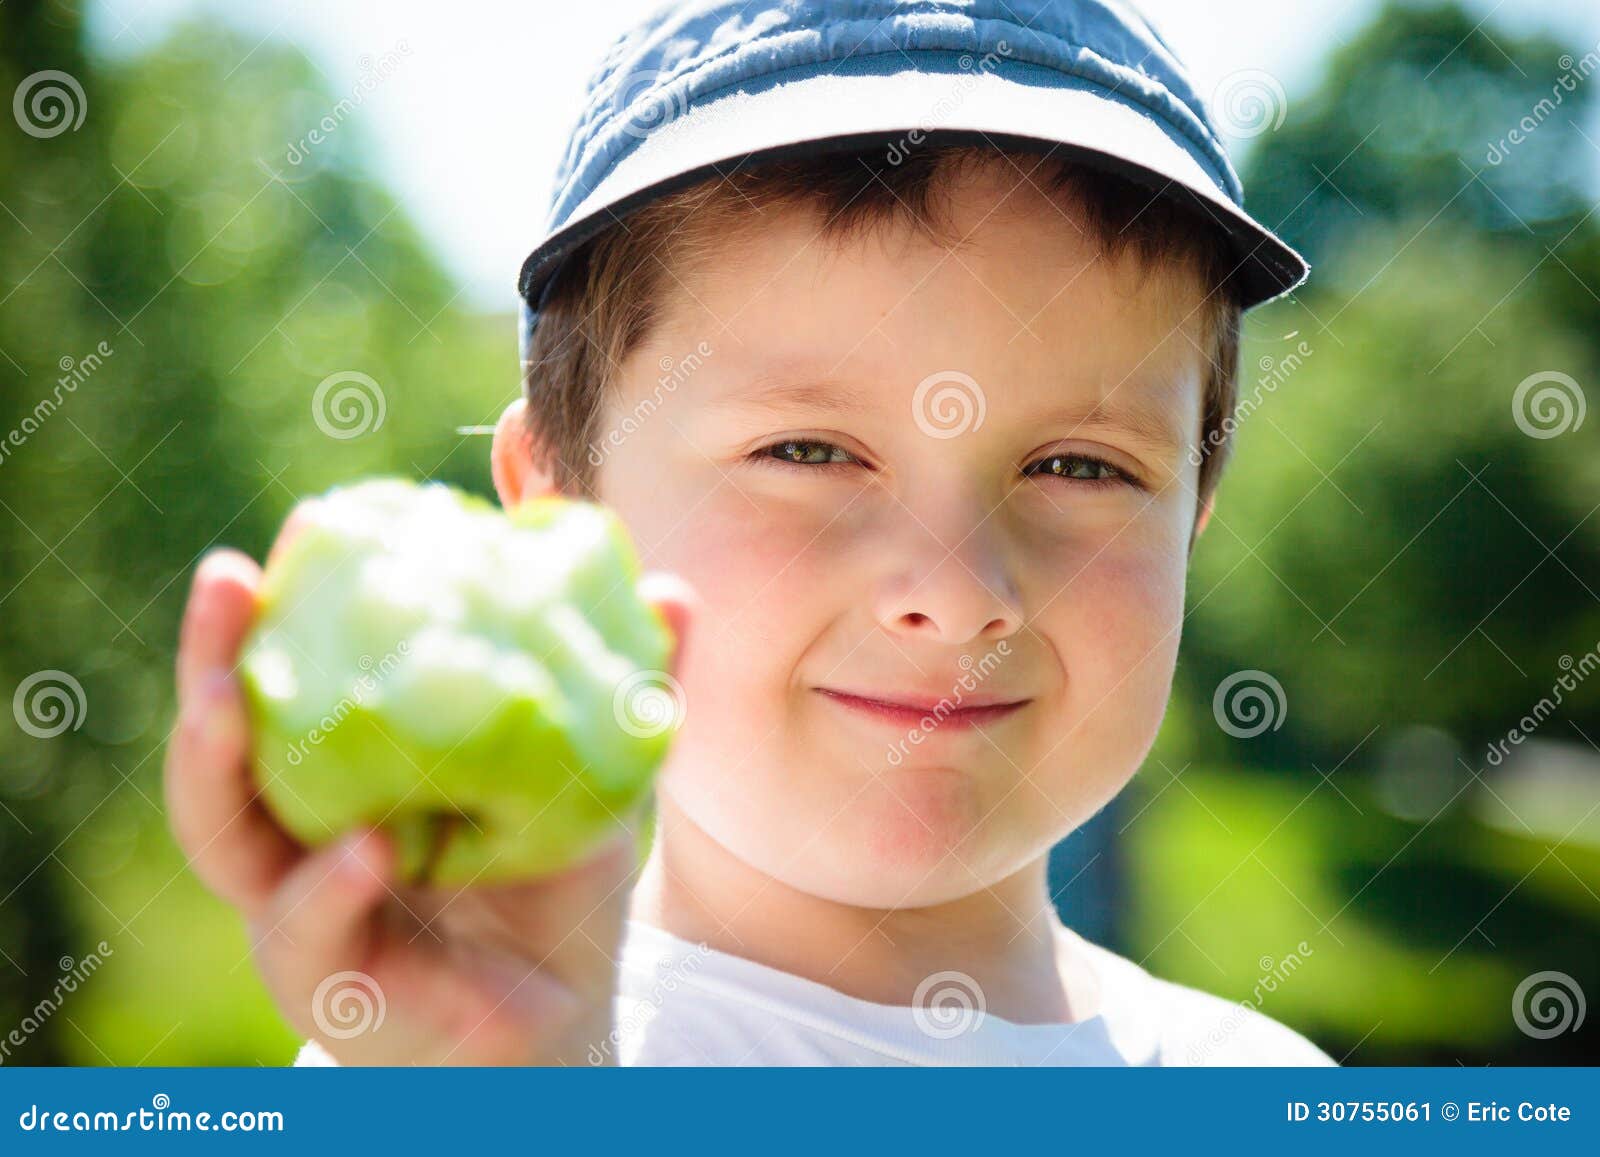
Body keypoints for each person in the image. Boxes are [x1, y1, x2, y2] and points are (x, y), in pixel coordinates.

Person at [165, 0, 1335, 1066]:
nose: (954, 592)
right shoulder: (472, 1054)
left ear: (1194, 511)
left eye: (1079, 465)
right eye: (808, 451)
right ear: (560, 515)